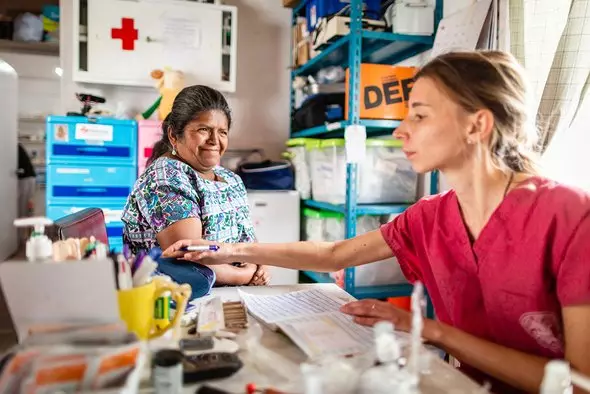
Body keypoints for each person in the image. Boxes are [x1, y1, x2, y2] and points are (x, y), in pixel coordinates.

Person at [162, 51, 590, 393]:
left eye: (419, 115)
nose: (401, 130)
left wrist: (434, 333)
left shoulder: (569, 216)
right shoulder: (433, 215)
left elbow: (580, 382)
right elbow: (332, 255)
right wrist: (225, 249)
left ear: (476, 124)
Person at [122, 85, 270, 292]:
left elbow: (248, 239)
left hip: (230, 294)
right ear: (174, 135)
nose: (214, 140)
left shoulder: (230, 178)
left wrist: (260, 263)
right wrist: (245, 275)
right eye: (203, 130)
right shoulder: (165, 179)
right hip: (175, 300)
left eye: (222, 132)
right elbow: (190, 261)